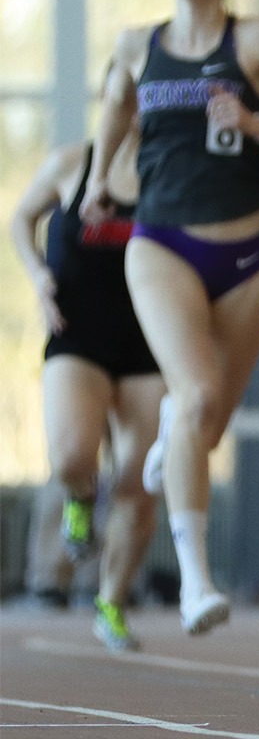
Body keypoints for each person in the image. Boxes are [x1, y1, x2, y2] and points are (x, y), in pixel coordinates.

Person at [83, 0, 259, 636]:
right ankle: (195, 582)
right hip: (160, 242)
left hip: (245, 252)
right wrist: (98, 178)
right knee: (196, 392)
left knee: (205, 427)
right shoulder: (135, 44)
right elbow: (114, 107)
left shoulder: (258, 39)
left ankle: (171, 436)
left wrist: (255, 124)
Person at [11, 134, 163, 650]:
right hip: (76, 334)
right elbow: (20, 219)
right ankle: (80, 498)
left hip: (149, 339)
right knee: (72, 456)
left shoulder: (169, 169)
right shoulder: (69, 164)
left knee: (140, 480)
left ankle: (111, 602)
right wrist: (37, 274)